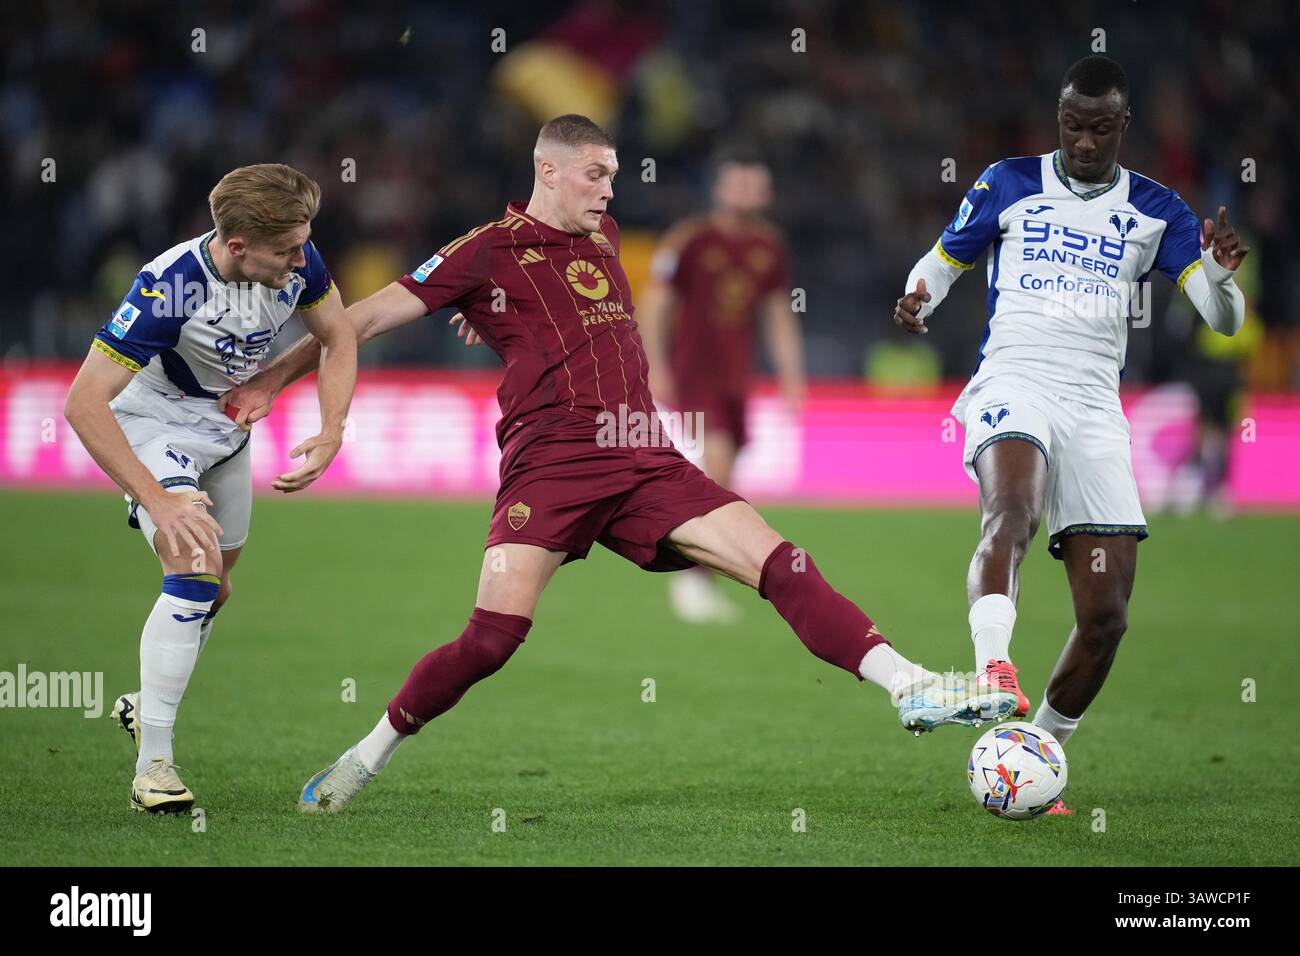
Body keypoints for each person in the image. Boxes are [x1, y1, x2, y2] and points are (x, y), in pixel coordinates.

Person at [224, 114, 1016, 814]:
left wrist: (496, 321)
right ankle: (367, 756)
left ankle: (911, 686)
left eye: (615, 175)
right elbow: (353, 322)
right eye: (596, 175)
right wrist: (274, 383)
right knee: (492, 640)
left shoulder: (600, 241)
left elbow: (552, 318)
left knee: (780, 558)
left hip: (642, 453)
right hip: (553, 461)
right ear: (548, 170)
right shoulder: (485, 251)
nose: (610, 190)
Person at [894, 56, 1247, 812]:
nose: (1082, 142)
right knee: (1011, 511)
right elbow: (946, 258)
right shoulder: (1008, 182)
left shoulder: (1159, 211)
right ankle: (993, 671)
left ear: (1123, 126)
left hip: (1095, 405)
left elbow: (1221, 320)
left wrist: (1219, 281)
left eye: (1098, 128)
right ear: (1059, 120)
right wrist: (918, 297)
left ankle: (1038, 751)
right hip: (1014, 378)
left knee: (1107, 616)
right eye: (1071, 125)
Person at [63, 164, 357, 813]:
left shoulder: (296, 255)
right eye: (287, 250)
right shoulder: (169, 287)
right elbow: (84, 403)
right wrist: (158, 498)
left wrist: (326, 422)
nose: (301, 258)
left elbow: (338, 332)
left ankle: (147, 701)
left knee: (214, 589)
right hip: (153, 424)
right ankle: (153, 769)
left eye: (305, 241)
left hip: (225, 430)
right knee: (192, 569)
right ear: (237, 247)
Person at [638, 151, 805, 624]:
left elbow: (778, 315)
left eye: (755, 186)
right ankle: (692, 580)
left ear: (766, 194)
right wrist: (655, 364)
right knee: (716, 471)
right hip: (696, 372)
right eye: (739, 184)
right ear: (720, 189)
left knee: (724, 476)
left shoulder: (769, 247)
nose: (747, 194)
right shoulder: (690, 240)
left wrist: (792, 377)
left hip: (737, 377)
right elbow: (656, 300)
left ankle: (693, 572)